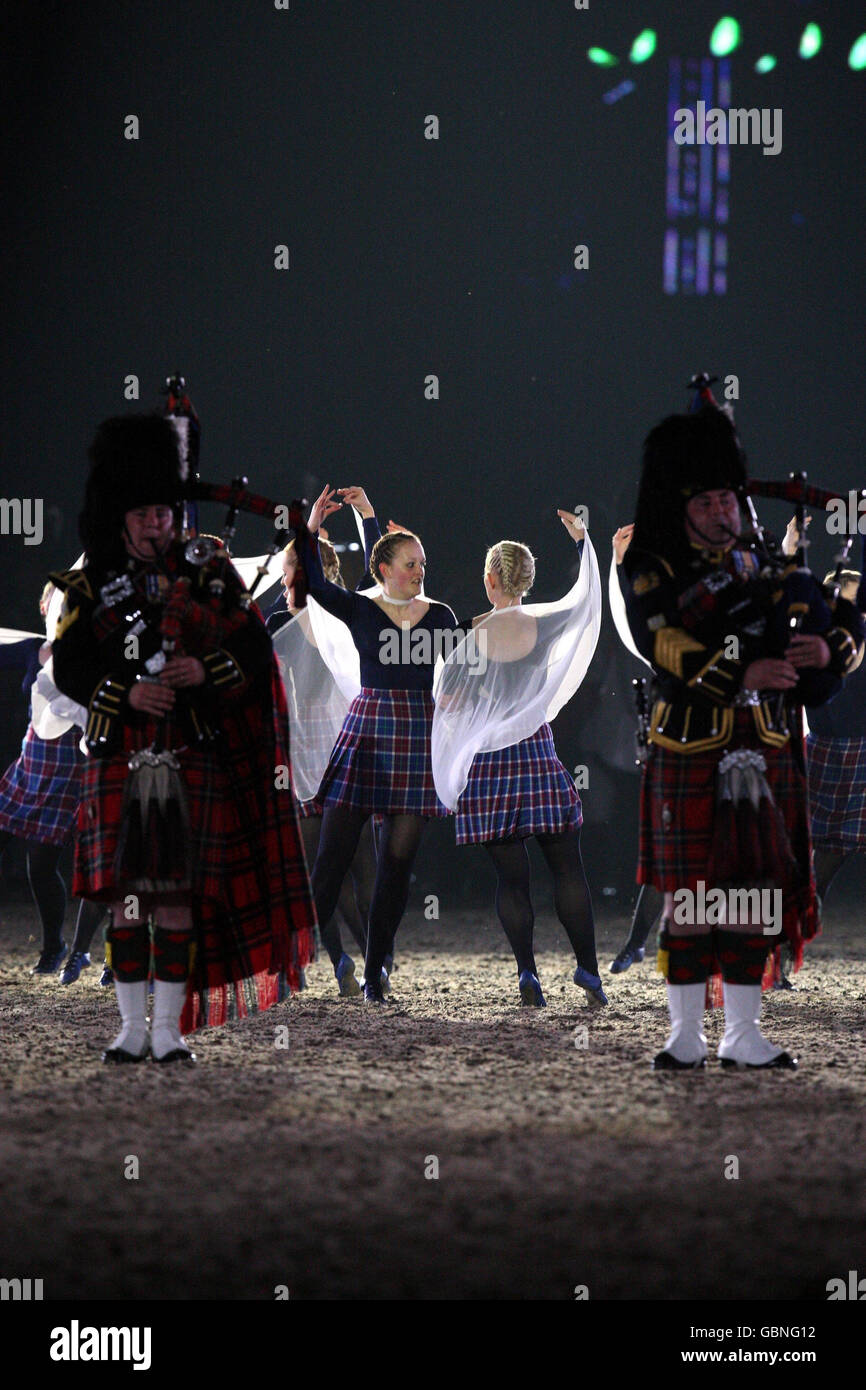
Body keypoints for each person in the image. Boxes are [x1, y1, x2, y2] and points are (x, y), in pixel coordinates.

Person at [50, 413, 316, 1063]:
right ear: (120, 516)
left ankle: (166, 1032)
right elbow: (70, 665)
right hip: (121, 754)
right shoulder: (89, 589)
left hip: (192, 753)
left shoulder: (209, 570)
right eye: (142, 514)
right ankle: (130, 1031)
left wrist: (204, 669)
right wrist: (126, 691)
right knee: (129, 903)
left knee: (175, 903)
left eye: (164, 513)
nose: (155, 523)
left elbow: (254, 648)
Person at [619, 396, 864, 1070]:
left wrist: (830, 651)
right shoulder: (650, 565)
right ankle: (683, 1035)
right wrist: (740, 668)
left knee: (754, 890)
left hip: (769, 742)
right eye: (706, 504)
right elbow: (661, 644)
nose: (722, 513)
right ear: (681, 508)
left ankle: (742, 1034)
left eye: (728, 500)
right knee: (693, 897)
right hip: (691, 743)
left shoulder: (763, 560)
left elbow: (827, 629)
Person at [433, 512, 606, 1008]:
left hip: (490, 766)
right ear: (527, 580)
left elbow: (446, 703)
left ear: (490, 579)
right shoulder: (546, 624)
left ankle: (528, 975)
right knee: (569, 870)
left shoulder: (467, 637)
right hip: (535, 757)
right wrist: (582, 545)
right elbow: (587, 605)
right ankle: (588, 971)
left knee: (513, 880)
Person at [299, 483, 459, 1003]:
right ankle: (286, 961)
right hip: (368, 732)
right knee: (331, 860)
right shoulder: (362, 611)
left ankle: (376, 970)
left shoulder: (440, 617)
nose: (419, 570)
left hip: (415, 734)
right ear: (387, 569)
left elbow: (460, 676)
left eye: (423, 563)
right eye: (410, 563)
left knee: (396, 864)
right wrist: (310, 530)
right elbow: (317, 584)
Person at [269, 527, 381, 994]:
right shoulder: (346, 614)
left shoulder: (282, 625)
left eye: (288, 572)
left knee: (320, 868)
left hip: (310, 746)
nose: (282, 582)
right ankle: (370, 961)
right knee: (358, 866)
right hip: (347, 739)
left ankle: (343, 960)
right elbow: (378, 587)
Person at [0, 584, 105, 977]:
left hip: (67, 767)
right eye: (53, 601)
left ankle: (54, 948)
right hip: (31, 761)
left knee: (41, 866)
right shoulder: (33, 649)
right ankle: (57, 947)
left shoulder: (87, 653)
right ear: (43, 605)